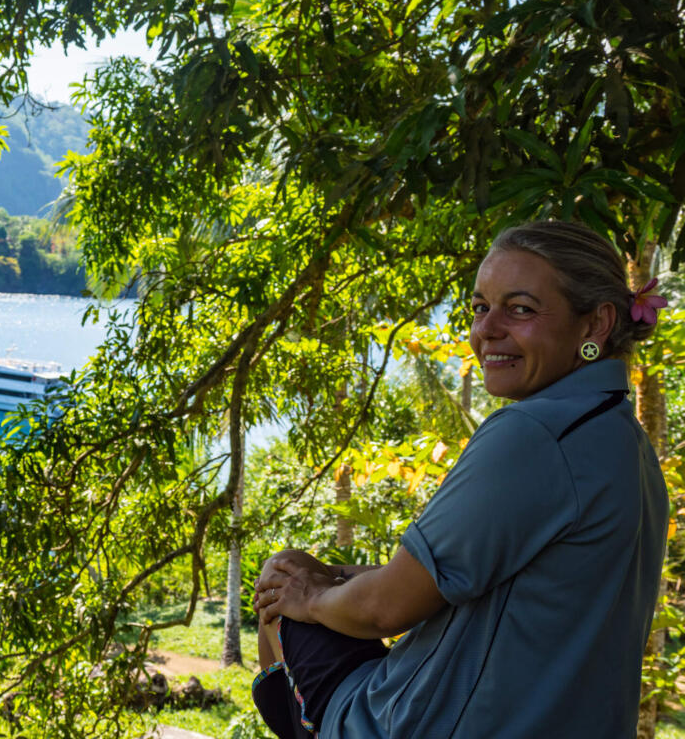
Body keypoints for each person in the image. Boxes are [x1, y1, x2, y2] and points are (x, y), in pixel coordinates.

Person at [252, 221, 669, 739]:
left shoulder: (535, 433)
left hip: (418, 727)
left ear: (595, 324)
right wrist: (346, 576)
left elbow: (386, 609)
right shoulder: (621, 439)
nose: (487, 329)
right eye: (479, 307)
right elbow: (482, 587)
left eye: (520, 309)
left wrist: (309, 595)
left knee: (280, 575)